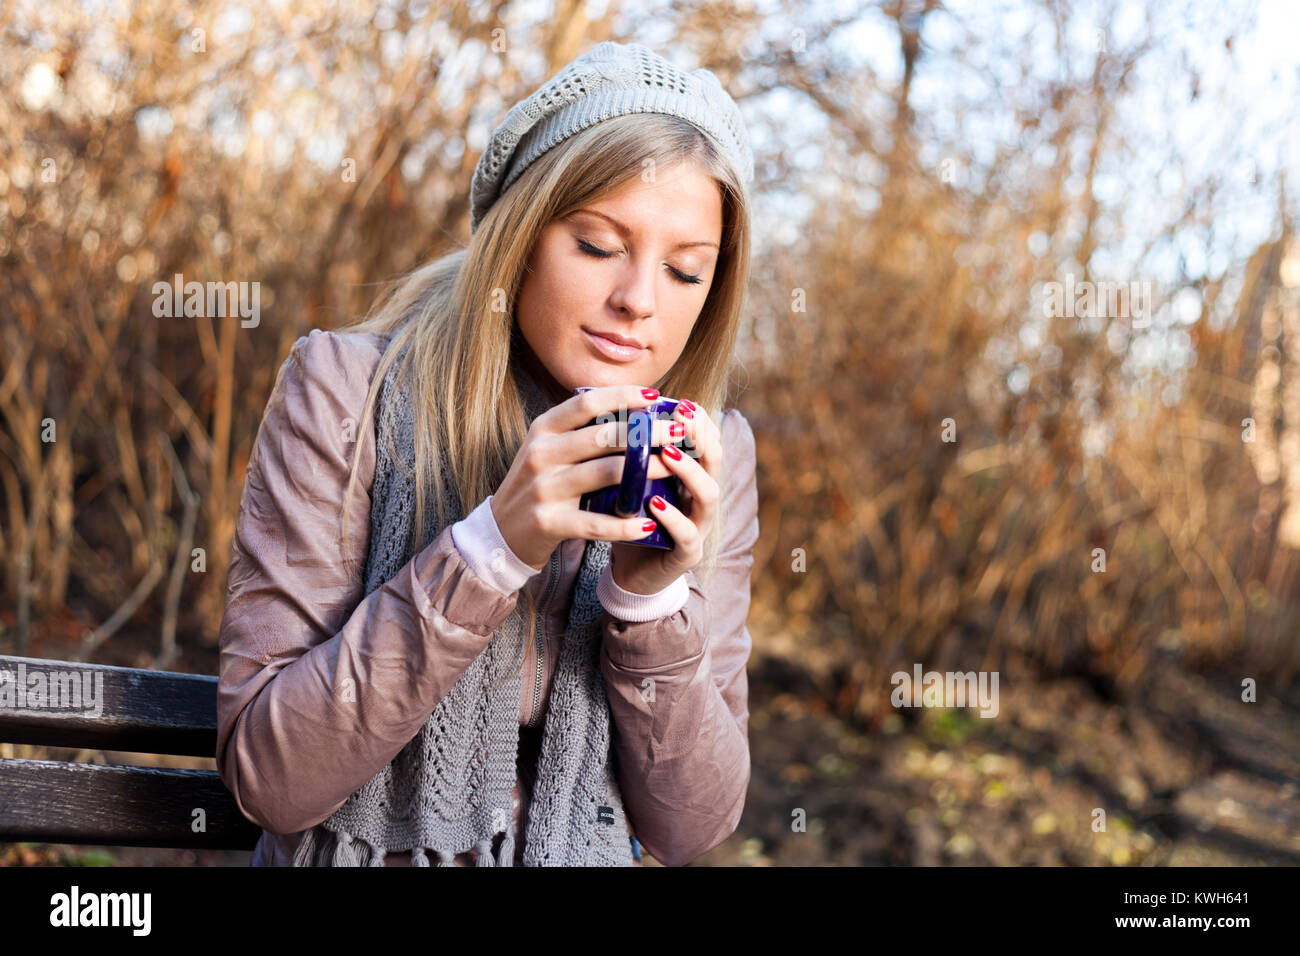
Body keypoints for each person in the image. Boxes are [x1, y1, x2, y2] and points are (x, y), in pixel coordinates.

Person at [215, 40, 760, 867]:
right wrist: (488, 552)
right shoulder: (345, 393)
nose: (638, 301)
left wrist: (652, 604)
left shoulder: (713, 451)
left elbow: (691, 826)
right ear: (519, 237)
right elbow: (272, 777)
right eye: (598, 245)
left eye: (687, 271)